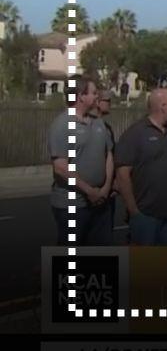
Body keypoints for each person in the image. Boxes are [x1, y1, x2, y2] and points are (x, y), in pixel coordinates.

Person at [48, 78, 114, 246]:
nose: (97, 96)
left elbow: (108, 155)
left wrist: (105, 189)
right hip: (72, 205)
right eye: (93, 92)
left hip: (101, 201)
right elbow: (61, 167)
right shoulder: (62, 125)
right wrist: (89, 191)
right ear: (80, 96)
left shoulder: (99, 123)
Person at [115, 88, 167, 246]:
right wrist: (133, 211)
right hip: (145, 217)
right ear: (164, 107)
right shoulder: (135, 133)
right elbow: (122, 175)